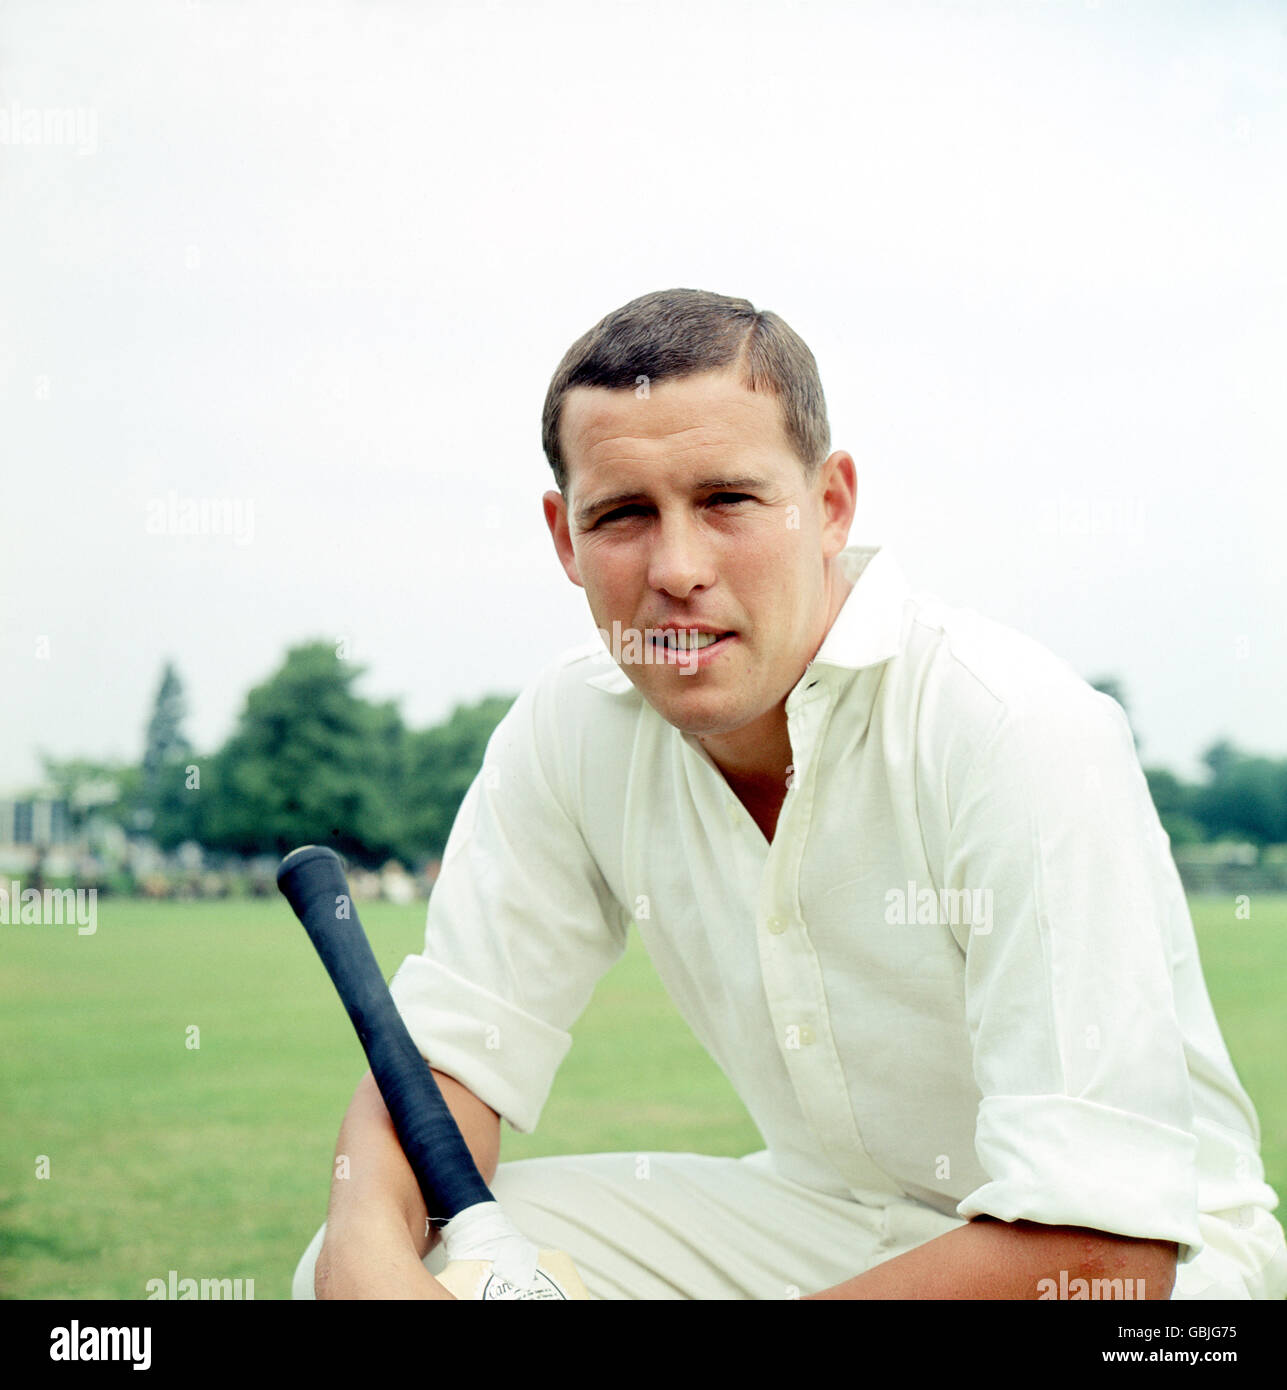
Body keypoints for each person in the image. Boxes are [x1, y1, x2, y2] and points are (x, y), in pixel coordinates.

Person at [293, 288, 1287, 1300]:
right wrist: (367, 1262)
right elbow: (453, 1061)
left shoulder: (1010, 726)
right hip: (830, 1225)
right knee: (383, 1257)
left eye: (726, 500)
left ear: (831, 503)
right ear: (565, 537)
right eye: (624, 514)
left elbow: (1106, 1251)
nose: (677, 568)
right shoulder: (569, 728)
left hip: (1161, 1280)